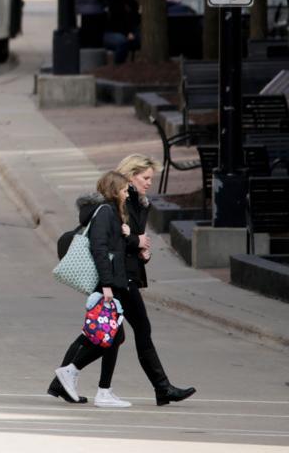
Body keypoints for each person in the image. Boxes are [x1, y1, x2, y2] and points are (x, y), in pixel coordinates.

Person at [112, 154, 197, 406]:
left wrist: (143, 250)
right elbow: (113, 236)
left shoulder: (140, 202)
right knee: (131, 331)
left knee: (109, 334)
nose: (149, 182)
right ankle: (162, 388)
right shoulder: (120, 199)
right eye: (145, 177)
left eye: (151, 178)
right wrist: (135, 241)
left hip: (129, 272)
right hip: (120, 275)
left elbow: (136, 236)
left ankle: (64, 376)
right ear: (130, 175)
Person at [49, 171, 133, 408]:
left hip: (109, 281)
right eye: (125, 190)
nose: (128, 194)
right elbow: (99, 249)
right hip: (105, 283)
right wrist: (107, 285)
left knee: (112, 335)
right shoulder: (105, 212)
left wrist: (125, 235)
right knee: (111, 335)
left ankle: (101, 389)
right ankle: (75, 373)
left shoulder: (109, 214)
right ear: (115, 191)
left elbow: (112, 247)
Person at [104, 0, 141, 65]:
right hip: (112, 32)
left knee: (138, 40)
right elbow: (114, 22)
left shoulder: (130, 1)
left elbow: (135, 18)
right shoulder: (112, 2)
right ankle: (118, 65)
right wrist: (127, 33)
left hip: (128, 31)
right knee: (122, 42)